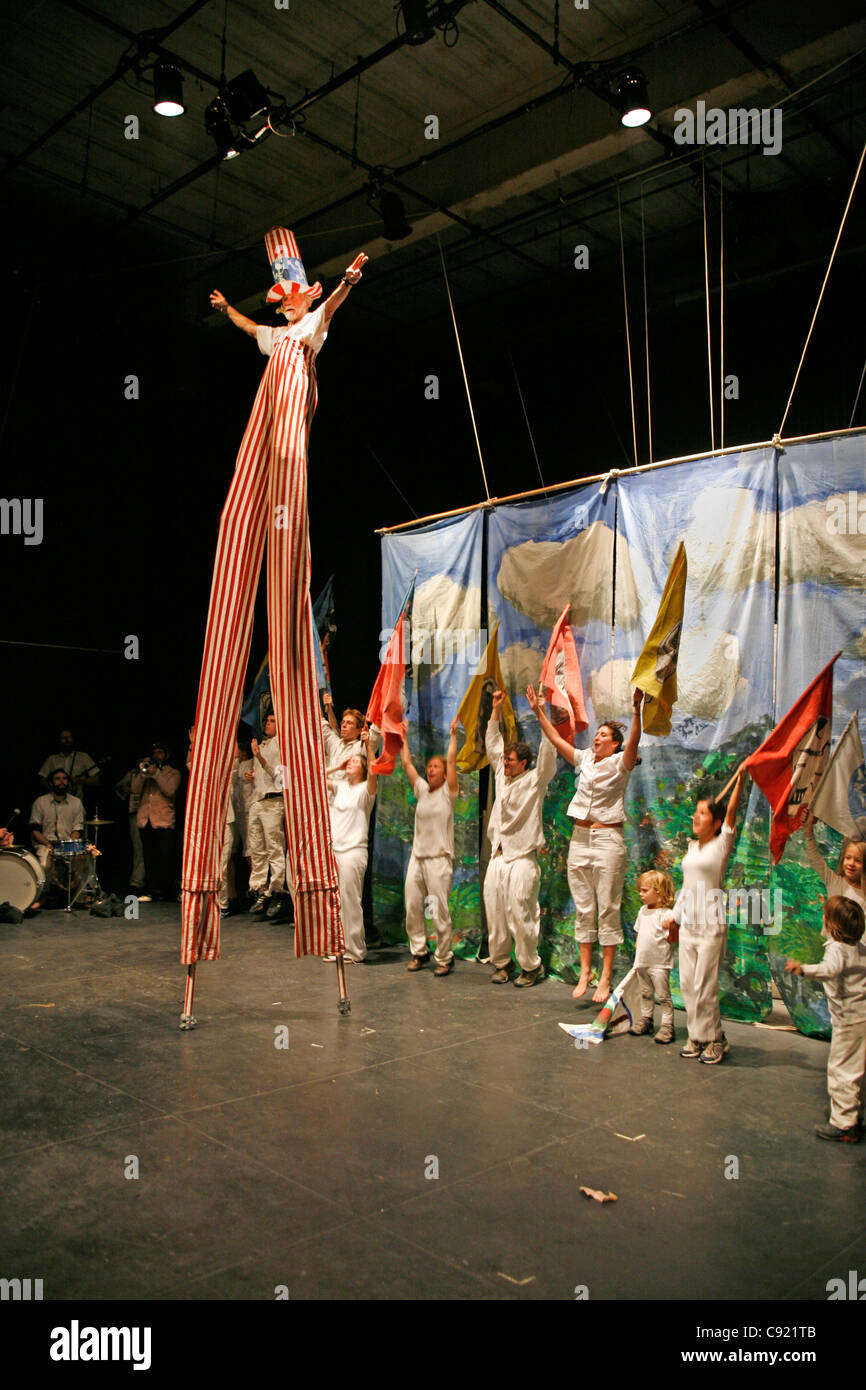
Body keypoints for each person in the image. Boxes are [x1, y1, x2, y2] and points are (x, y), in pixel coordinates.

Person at [182, 227, 367, 967]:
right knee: (247, 495)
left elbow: (336, 307)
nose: (288, 308)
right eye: (286, 301)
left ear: (306, 301)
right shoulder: (276, 338)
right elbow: (251, 329)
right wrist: (227, 306)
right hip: (269, 420)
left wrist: (349, 277)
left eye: (294, 298)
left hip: (294, 424)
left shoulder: (312, 330)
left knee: (288, 456)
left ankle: (313, 921)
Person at [527, 685, 643, 1002]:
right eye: (596, 734)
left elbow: (633, 743)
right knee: (584, 907)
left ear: (614, 743)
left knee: (607, 908)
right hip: (580, 838)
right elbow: (557, 740)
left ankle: (605, 977)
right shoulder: (586, 759)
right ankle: (585, 970)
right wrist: (538, 710)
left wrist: (636, 711)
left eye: (603, 735)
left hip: (608, 839)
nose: (597, 738)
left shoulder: (621, 762)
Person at [661, 767, 747, 1065]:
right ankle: (697, 1036)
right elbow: (686, 889)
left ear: (717, 822)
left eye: (703, 813)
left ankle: (715, 1039)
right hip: (689, 927)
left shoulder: (722, 844)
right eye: (695, 813)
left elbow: (733, 810)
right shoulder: (692, 848)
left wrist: (742, 778)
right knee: (687, 984)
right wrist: (674, 917)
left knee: (704, 986)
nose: (696, 817)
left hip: (711, 927)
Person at [484, 687, 557, 988]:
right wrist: (496, 709)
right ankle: (501, 963)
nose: (506, 763)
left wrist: (541, 711)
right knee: (496, 913)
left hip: (523, 858)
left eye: (511, 760)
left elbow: (549, 751)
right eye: (506, 759)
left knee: (520, 912)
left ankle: (531, 966)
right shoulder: (502, 774)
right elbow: (492, 741)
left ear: (524, 763)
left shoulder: (534, 780)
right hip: (499, 855)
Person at [786, 896, 866, 1142]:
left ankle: (844, 1123)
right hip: (862, 1016)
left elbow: (829, 970)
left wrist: (803, 969)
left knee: (840, 1070)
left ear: (832, 925)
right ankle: (850, 1112)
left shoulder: (836, 948)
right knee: (856, 1070)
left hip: (848, 1019)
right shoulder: (860, 947)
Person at [399, 717, 460, 976]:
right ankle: (418, 951)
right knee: (413, 907)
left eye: (436, 767)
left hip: (438, 861)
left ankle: (444, 956)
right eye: (430, 767)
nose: (431, 770)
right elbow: (406, 763)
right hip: (418, 859)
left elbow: (453, 762)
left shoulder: (449, 792)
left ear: (445, 774)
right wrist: (402, 736)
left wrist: (453, 736)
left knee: (436, 910)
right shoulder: (422, 790)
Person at [326, 729, 378, 963]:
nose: (350, 763)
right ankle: (339, 947)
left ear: (364, 769)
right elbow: (314, 779)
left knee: (350, 902)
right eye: (350, 760)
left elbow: (375, 771)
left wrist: (367, 748)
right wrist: (337, 767)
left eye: (355, 762)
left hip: (353, 853)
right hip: (335, 850)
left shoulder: (365, 791)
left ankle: (355, 950)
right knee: (335, 903)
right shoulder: (342, 787)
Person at [244, 713, 287, 916]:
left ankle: (277, 889)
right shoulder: (262, 744)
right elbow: (261, 775)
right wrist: (253, 774)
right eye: (267, 721)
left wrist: (260, 759)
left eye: (272, 721)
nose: (267, 724)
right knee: (257, 848)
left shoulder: (282, 745)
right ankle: (259, 888)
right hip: (257, 801)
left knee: (274, 847)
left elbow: (281, 780)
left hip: (273, 800)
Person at [629, 869, 677, 1044]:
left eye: (645, 890)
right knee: (646, 993)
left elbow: (673, 939)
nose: (641, 894)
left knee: (663, 996)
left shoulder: (667, 914)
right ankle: (646, 1019)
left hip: (659, 963)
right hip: (642, 962)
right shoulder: (643, 911)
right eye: (640, 890)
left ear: (659, 891)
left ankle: (667, 1026)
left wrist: (672, 927)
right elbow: (639, 932)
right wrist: (638, 949)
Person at [132, 743, 181, 901]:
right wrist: (143, 773)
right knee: (148, 856)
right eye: (154, 753)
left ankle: (168, 891)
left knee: (165, 857)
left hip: (163, 820)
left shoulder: (173, 772)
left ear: (166, 755)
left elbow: (170, 790)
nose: (156, 756)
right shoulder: (143, 772)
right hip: (145, 819)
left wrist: (156, 775)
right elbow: (135, 789)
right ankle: (152, 890)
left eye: (160, 753)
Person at [801, 811, 866, 910]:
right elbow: (814, 859)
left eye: (858, 861)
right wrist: (808, 828)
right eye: (848, 858)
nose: (851, 863)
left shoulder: (863, 898)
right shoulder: (834, 881)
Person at [30, 769, 85, 873]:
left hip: (68, 844)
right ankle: (46, 889)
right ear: (51, 783)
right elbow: (35, 830)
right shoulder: (40, 802)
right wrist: (49, 845)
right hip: (46, 844)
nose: (62, 782)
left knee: (82, 863)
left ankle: (75, 888)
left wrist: (67, 845)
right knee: (44, 865)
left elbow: (78, 828)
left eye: (64, 779)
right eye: (57, 779)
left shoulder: (76, 802)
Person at [38, 730, 100, 801]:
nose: (67, 740)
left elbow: (97, 780)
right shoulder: (51, 759)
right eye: (63, 738)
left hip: (77, 802)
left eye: (69, 737)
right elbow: (42, 780)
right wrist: (53, 788)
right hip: (54, 802)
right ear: (59, 741)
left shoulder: (83, 757)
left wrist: (80, 781)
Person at [115, 762, 146, 895]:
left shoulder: (165, 772)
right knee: (138, 849)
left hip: (158, 815)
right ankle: (136, 882)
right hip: (137, 813)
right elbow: (120, 788)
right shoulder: (134, 774)